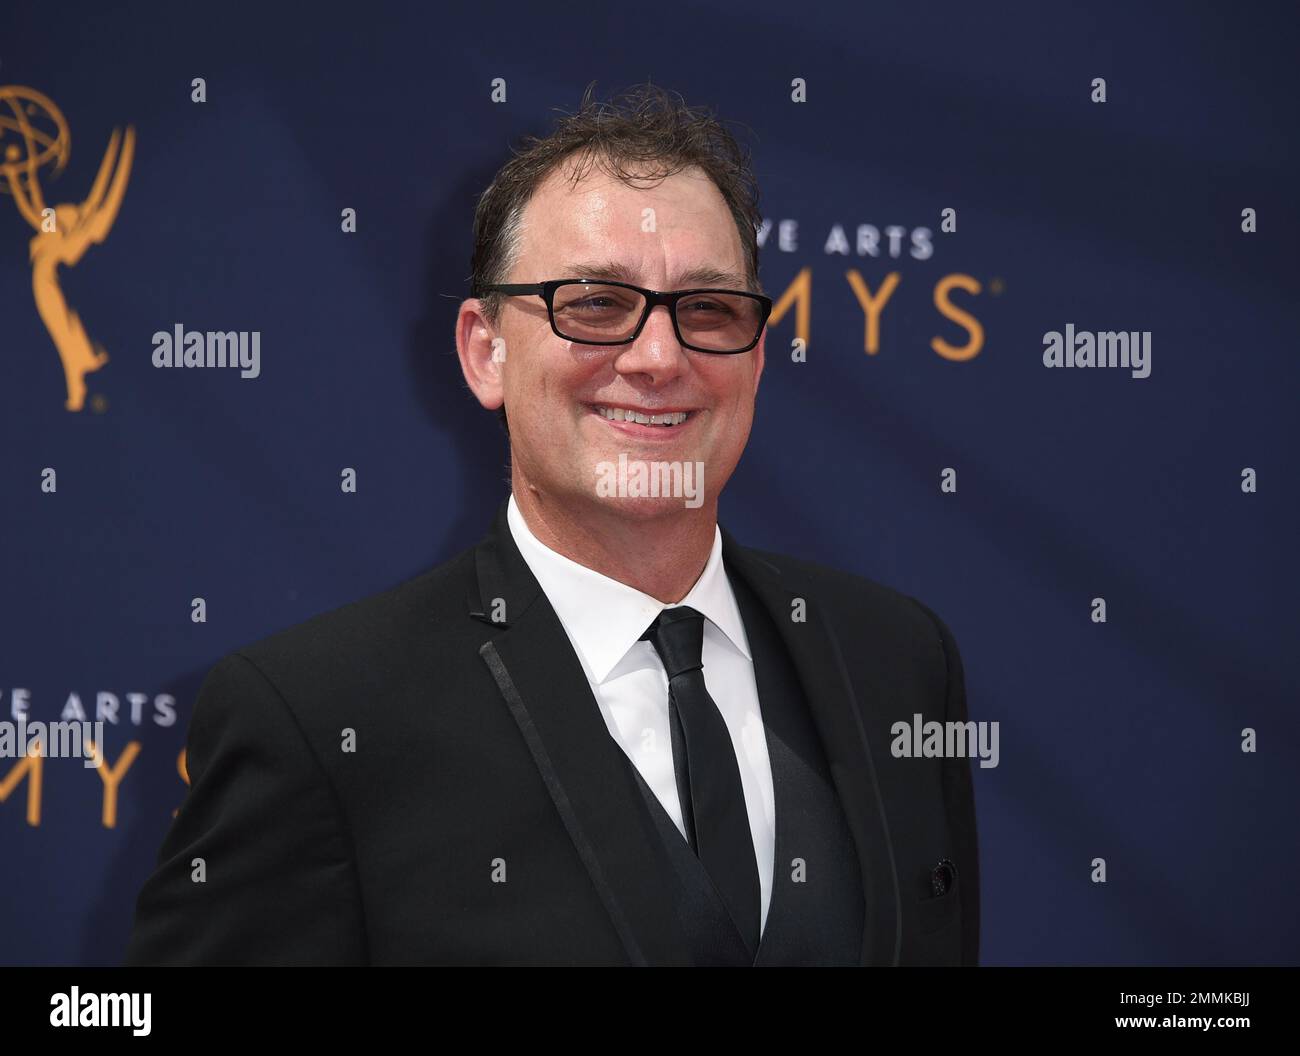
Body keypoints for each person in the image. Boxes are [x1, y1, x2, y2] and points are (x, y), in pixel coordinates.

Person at [124, 83, 978, 966]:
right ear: (483, 351)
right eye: (596, 305)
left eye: (709, 309)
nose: (658, 357)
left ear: (757, 357)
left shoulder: (896, 662)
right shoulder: (316, 718)